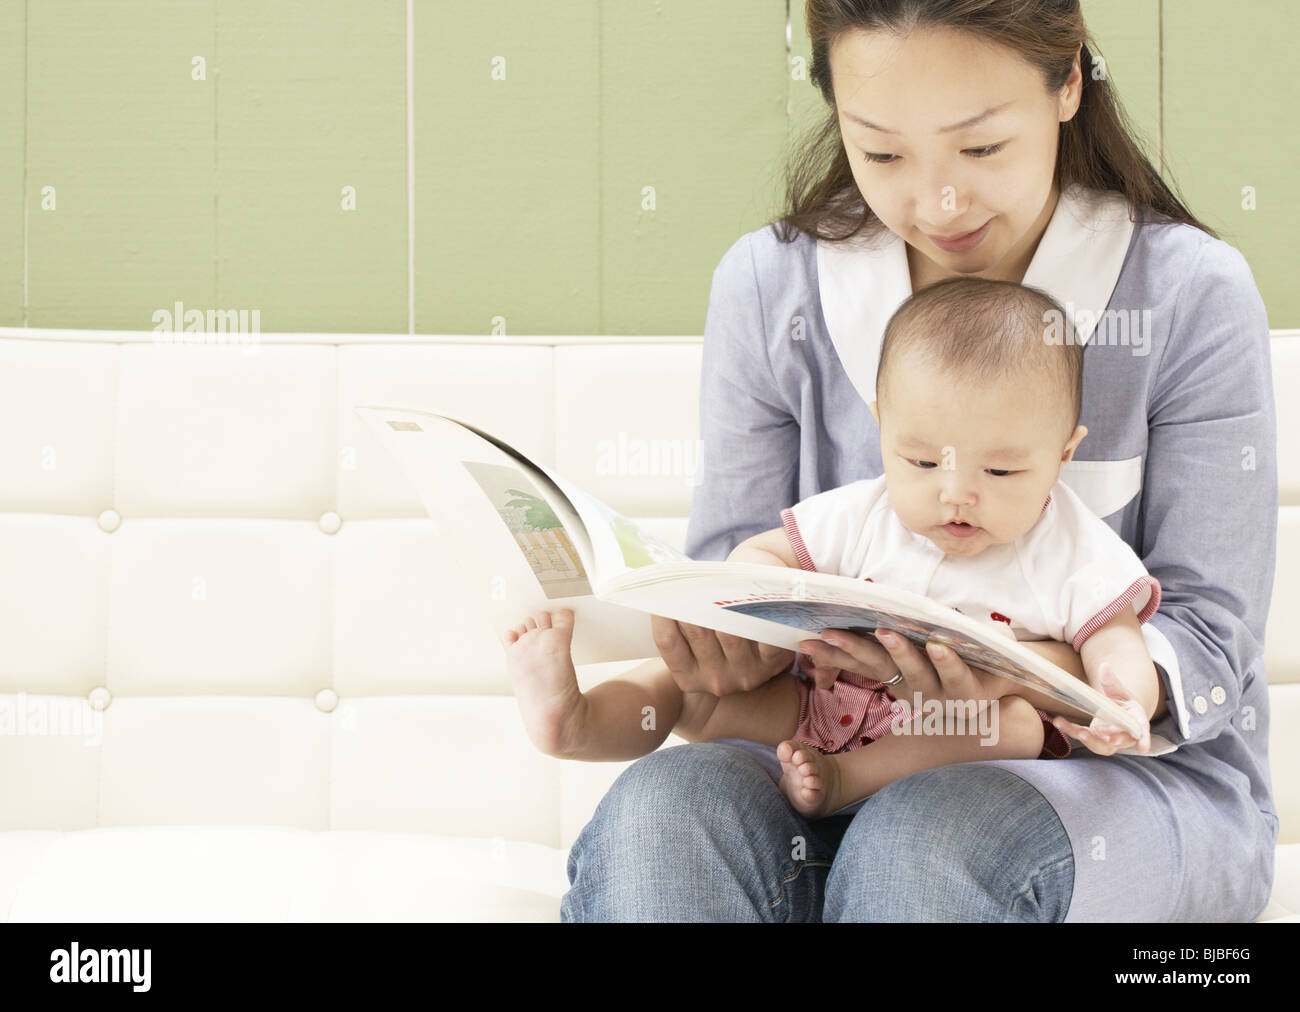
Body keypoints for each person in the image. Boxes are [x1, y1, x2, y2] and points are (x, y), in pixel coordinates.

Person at [562, 0, 1279, 922]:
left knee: (928, 838)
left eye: (980, 149)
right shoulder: (770, 285)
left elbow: (1214, 645)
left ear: (1069, 84)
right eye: (884, 153)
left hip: (1120, 781)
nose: (937, 202)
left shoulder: (1187, 296)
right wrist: (722, 646)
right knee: (662, 815)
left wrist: (1031, 672)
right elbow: (735, 571)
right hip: (817, 740)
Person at [505, 277, 1164, 820]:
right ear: (882, 429)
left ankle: (848, 780)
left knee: (1017, 722)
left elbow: (1116, 640)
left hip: (962, 736)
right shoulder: (864, 512)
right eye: (922, 460)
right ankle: (575, 721)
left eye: (1000, 473)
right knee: (685, 693)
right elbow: (763, 555)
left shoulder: (1074, 546)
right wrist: (746, 601)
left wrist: (1122, 703)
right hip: (820, 706)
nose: (956, 494)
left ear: (1063, 454)